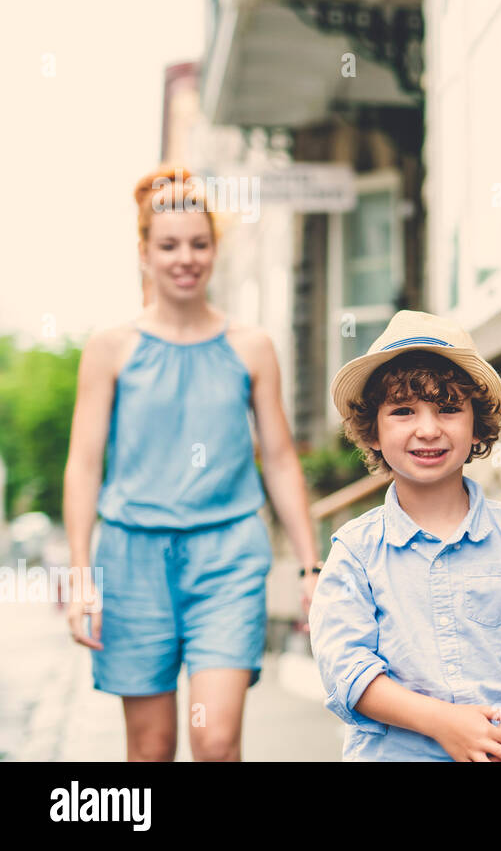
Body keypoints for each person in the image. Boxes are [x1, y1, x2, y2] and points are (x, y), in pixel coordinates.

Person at [62, 165, 320, 761]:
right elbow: (83, 465)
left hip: (227, 558)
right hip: (132, 562)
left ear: (215, 250)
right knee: (150, 749)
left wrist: (310, 566)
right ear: (144, 252)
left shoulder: (251, 347)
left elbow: (279, 459)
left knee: (216, 739)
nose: (186, 258)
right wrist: (81, 576)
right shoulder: (110, 349)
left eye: (199, 244)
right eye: (169, 245)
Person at [309, 310, 501, 761]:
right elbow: (346, 670)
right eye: (402, 411)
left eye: (449, 409)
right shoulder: (355, 551)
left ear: (476, 424)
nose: (428, 429)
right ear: (374, 432)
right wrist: (443, 722)